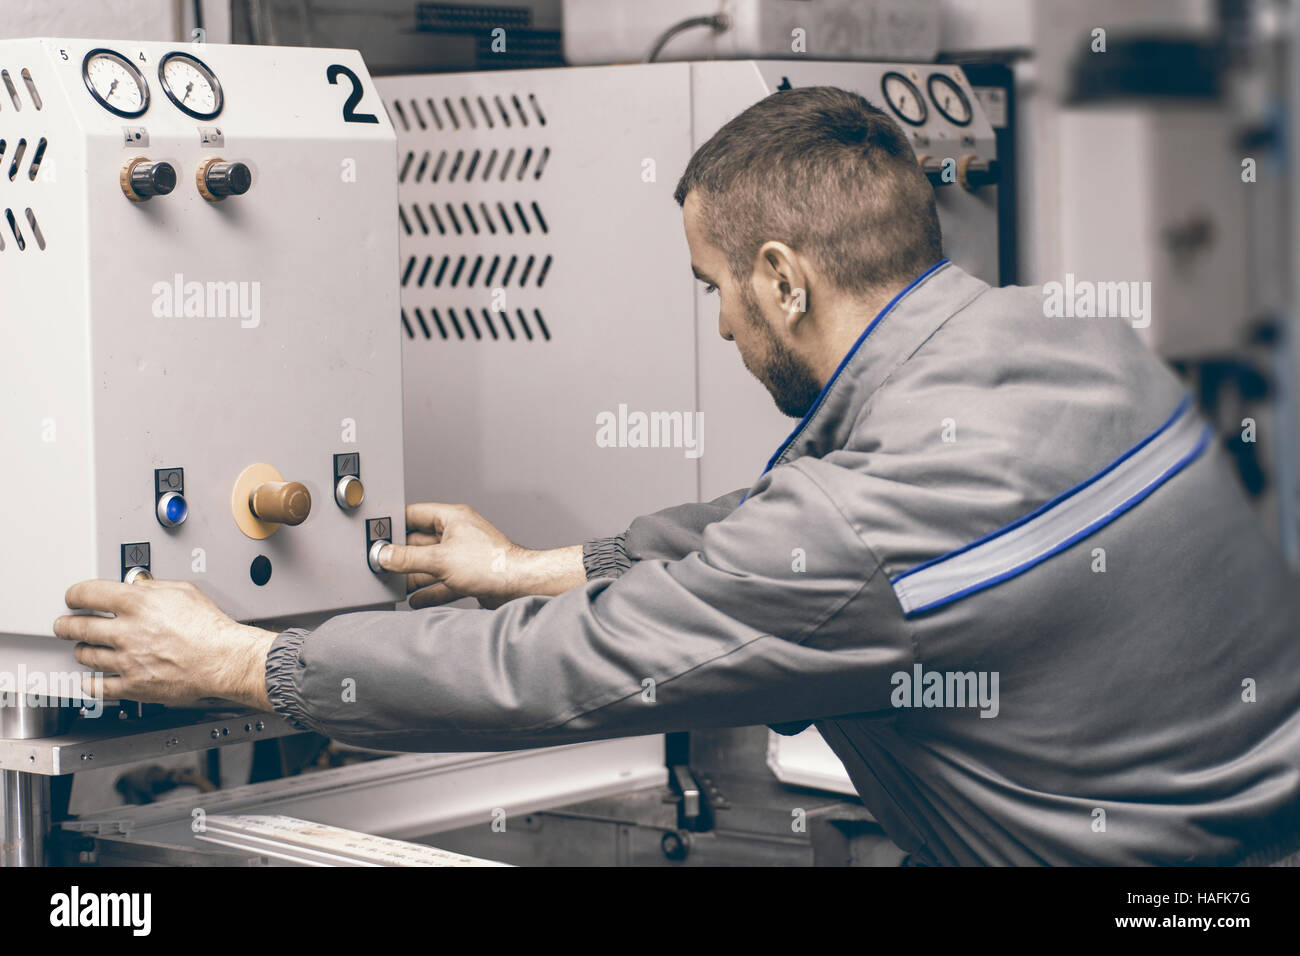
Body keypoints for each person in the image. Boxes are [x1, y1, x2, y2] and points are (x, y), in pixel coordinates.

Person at [55, 87, 1300, 866]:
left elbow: (560, 670)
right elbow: (788, 523)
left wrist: (248, 663)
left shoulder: (864, 530)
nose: (719, 326)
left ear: (782, 278)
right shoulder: (1071, 341)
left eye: (714, 288)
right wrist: (535, 565)